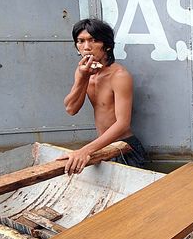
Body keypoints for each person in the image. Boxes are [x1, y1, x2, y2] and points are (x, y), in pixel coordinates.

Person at [61, 18, 147, 173]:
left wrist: (85, 150)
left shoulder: (119, 75)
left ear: (106, 45)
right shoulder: (83, 71)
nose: (86, 47)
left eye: (93, 40)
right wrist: (83, 77)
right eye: (80, 41)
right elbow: (71, 108)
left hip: (124, 147)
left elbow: (123, 124)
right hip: (102, 147)